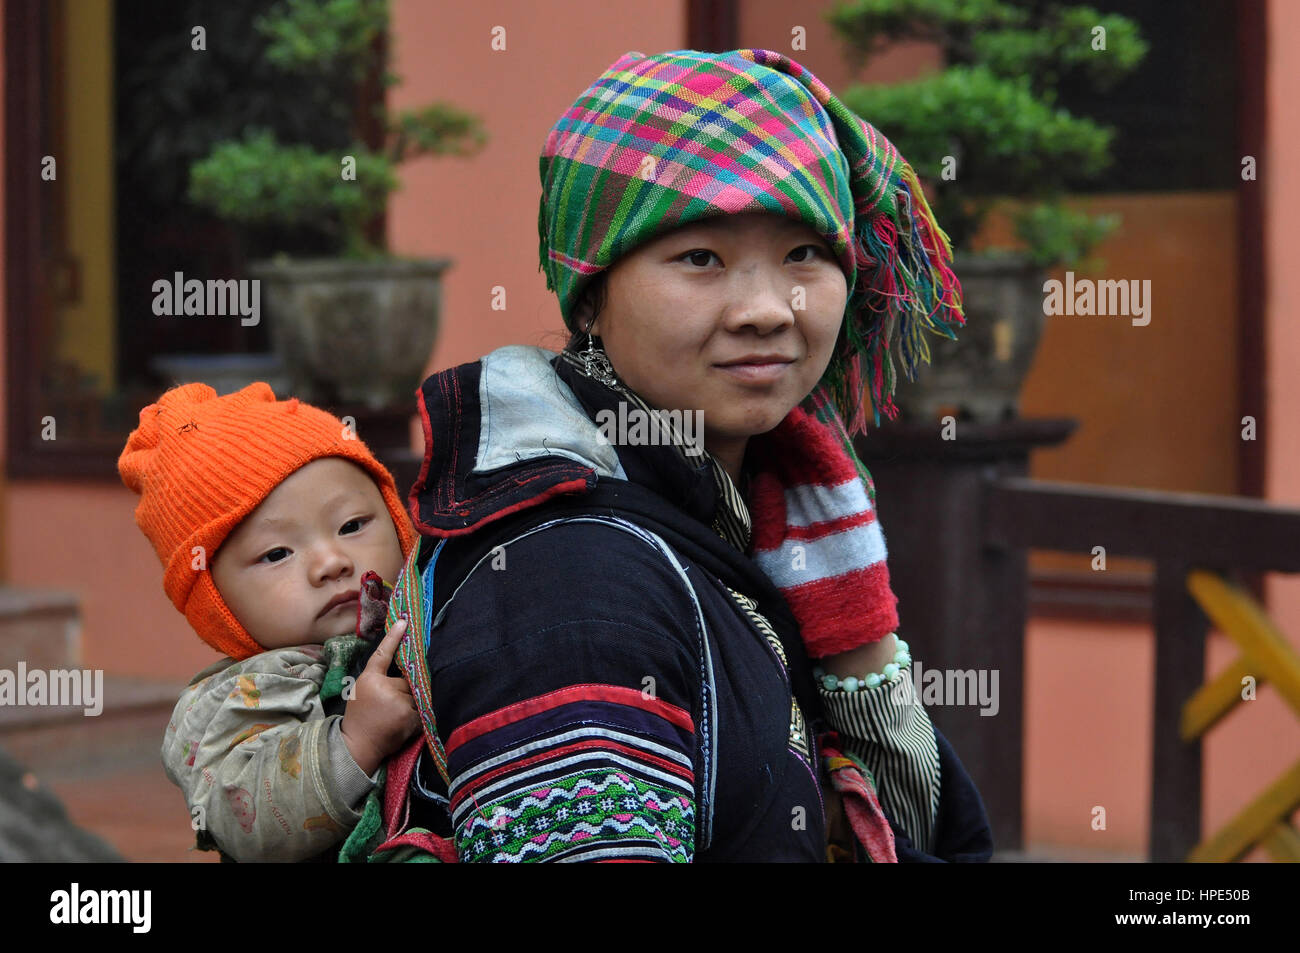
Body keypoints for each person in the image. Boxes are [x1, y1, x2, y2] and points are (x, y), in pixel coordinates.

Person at [387, 48, 994, 862]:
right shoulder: (568, 580)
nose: (766, 310)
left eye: (804, 253)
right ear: (592, 295)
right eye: (700, 258)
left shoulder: (766, 510)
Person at [117, 381, 421, 862]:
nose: (331, 562)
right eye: (277, 553)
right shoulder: (241, 696)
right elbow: (243, 814)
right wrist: (352, 744)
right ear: (216, 602)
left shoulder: (425, 622)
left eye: (353, 525)